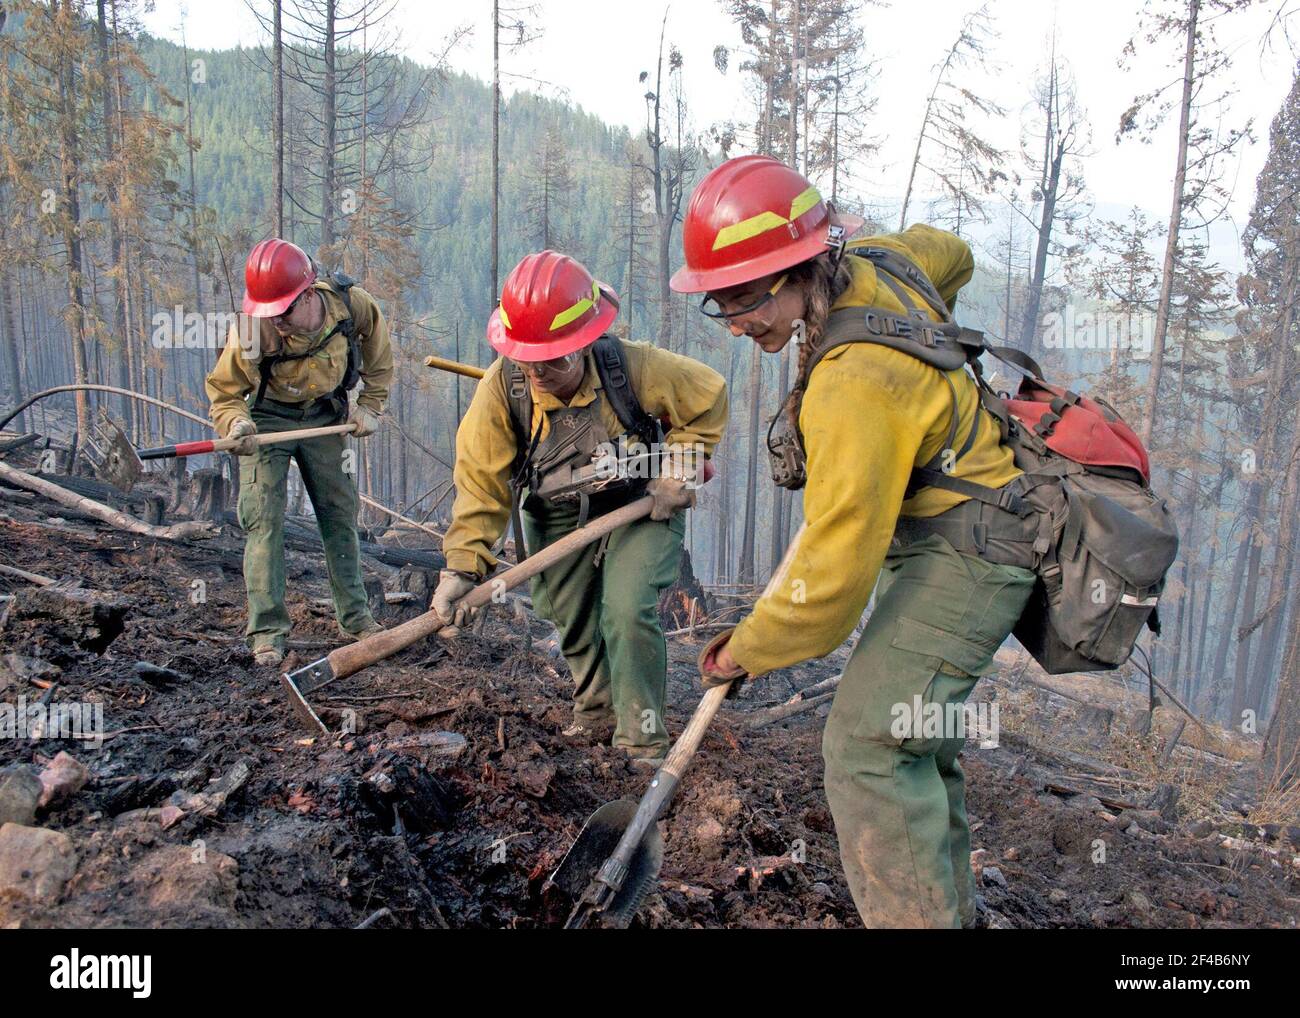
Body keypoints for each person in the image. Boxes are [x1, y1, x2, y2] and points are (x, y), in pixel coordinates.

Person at [674, 155, 1037, 928]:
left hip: (973, 553)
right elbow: (954, 252)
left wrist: (749, 647)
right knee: (917, 743)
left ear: (800, 268)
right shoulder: (886, 263)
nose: (734, 322)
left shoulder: (852, 386)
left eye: (742, 297)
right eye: (718, 302)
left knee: (869, 749)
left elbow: (834, 578)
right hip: (975, 528)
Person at [435, 250, 728, 766]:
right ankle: (595, 713)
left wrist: (678, 468)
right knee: (564, 611)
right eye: (529, 360)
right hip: (557, 508)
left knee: (626, 608)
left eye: (555, 359)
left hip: (640, 504)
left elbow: (708, 398)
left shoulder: (633, 367)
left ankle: (641, 743)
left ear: (587, 340)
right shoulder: (504, 390)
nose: (540, 372)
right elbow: (482, 484)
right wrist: (463, 566)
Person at [206, 238, 393, 668]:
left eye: (284, 311)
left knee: (339, 512)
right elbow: (225, 392)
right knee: (264, 520)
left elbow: (380, 358)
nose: (278, 322)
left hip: (326, 417)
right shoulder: (253, 328)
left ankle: (356, 618)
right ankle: (268, 633)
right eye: (269, 313)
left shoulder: (352, 307)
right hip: (267, 420)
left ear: (309, 293)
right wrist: (235, 424)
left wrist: (370, 405)